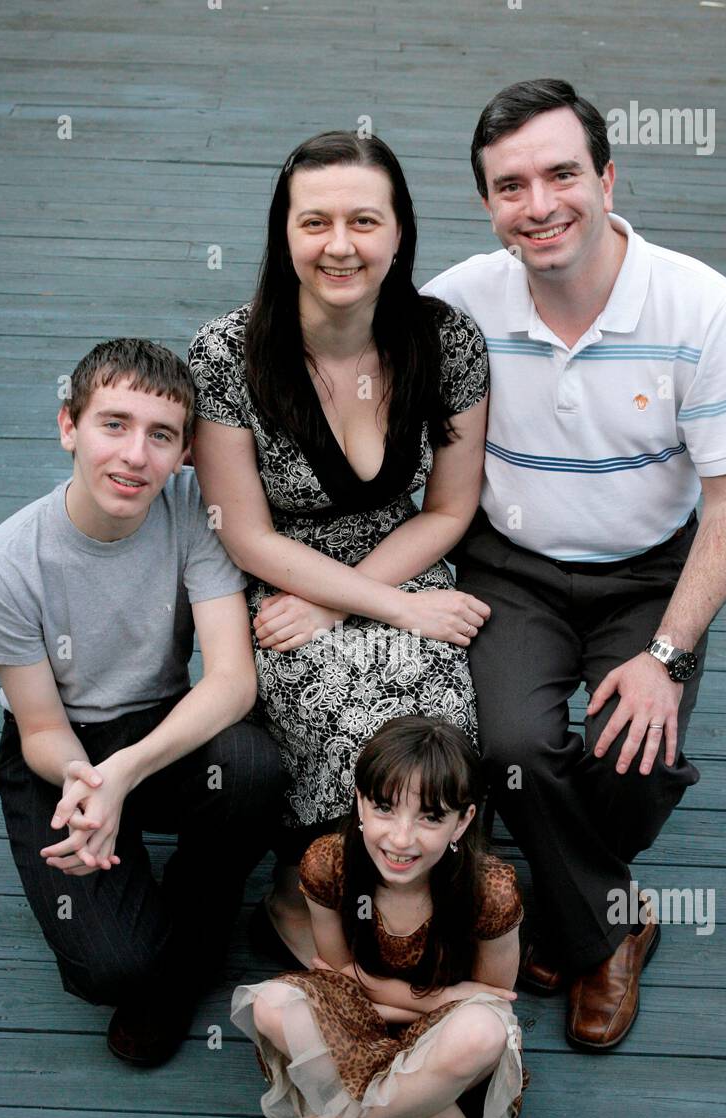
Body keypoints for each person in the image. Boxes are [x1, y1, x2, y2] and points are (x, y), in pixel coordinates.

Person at [421, 79, 726, 1051]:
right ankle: (611, 925)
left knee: (638, 745)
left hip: (648, 567)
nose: (538, 206)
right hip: (513, 562)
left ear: (608, 176)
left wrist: (665, 653)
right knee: (510, 748)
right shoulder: (457, 303)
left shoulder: (699, 304)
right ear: (487, 202)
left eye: (561, 174)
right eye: (510, 186)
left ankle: (573, 904)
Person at [187, 130, 491, 971]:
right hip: (285, 585)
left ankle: (424, 911)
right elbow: (241, 532)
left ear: (399, 233)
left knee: (436, 726)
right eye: (313, 221)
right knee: (350, 719)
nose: (340, 245)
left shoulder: (447, 343)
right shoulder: (227, 353)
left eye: (364, 220)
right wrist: (366, 606)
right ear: (283, 234)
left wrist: (358, 596)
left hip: (403, 558)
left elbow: (449, 506)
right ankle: (306, 891)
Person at [0, 339, 284, 1066]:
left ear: (185, 453)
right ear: (68, 426)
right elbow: (39, 725)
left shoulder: (195, 510)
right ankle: (162, 952)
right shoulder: (6, 569)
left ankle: (193, 931)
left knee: (251, 767)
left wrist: (126, 774)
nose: (135, 455)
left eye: (161, 435)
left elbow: (232, 680)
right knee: (113, 968)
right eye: (113, 424)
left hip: (155, 729)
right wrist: (86, 785)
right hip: (59, 750)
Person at [208, 716, 527, 1118]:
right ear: (359, 802)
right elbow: (337, 974)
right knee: (268, 1006)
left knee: (483, 1032)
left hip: (446, 1036)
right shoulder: (328, 864)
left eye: (429, 817)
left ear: (463, 823)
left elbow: (493, 997)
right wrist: (416, 998)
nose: (401, 839)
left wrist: (390, 995)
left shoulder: (489, 891)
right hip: (360, 1013)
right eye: (383, 807)